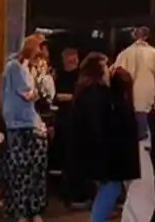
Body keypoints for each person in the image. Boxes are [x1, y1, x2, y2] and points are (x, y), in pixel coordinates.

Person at [73, 61, 143, 222]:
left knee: (109, 189)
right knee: (111, 189)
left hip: (100, 154)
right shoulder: (103, 98)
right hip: (106, 156)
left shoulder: (93, 95)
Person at [0, 34, 49, 222]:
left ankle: (33, 209)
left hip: (32, 123)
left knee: (35, 170)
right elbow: (28, 94)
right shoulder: (14, 67)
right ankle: (20, 211)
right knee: (19, 171)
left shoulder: (27, 68)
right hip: (19, 125)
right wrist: (40, 83)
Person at [114, 27, 155, 183]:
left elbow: (115, 74)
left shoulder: (124, 54)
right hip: (147, 105)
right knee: (146, 146)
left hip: (129, 106)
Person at [54, 47, 90, 209]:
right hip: (62, 119)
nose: (73, 61)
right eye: (70, 58)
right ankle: (67, 192)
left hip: (76, 120)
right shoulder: (57, 76)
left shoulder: (81, 77)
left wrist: (68, 97)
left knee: (76, 156)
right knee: (65, 156)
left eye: (75, 58)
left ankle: (77, 194)